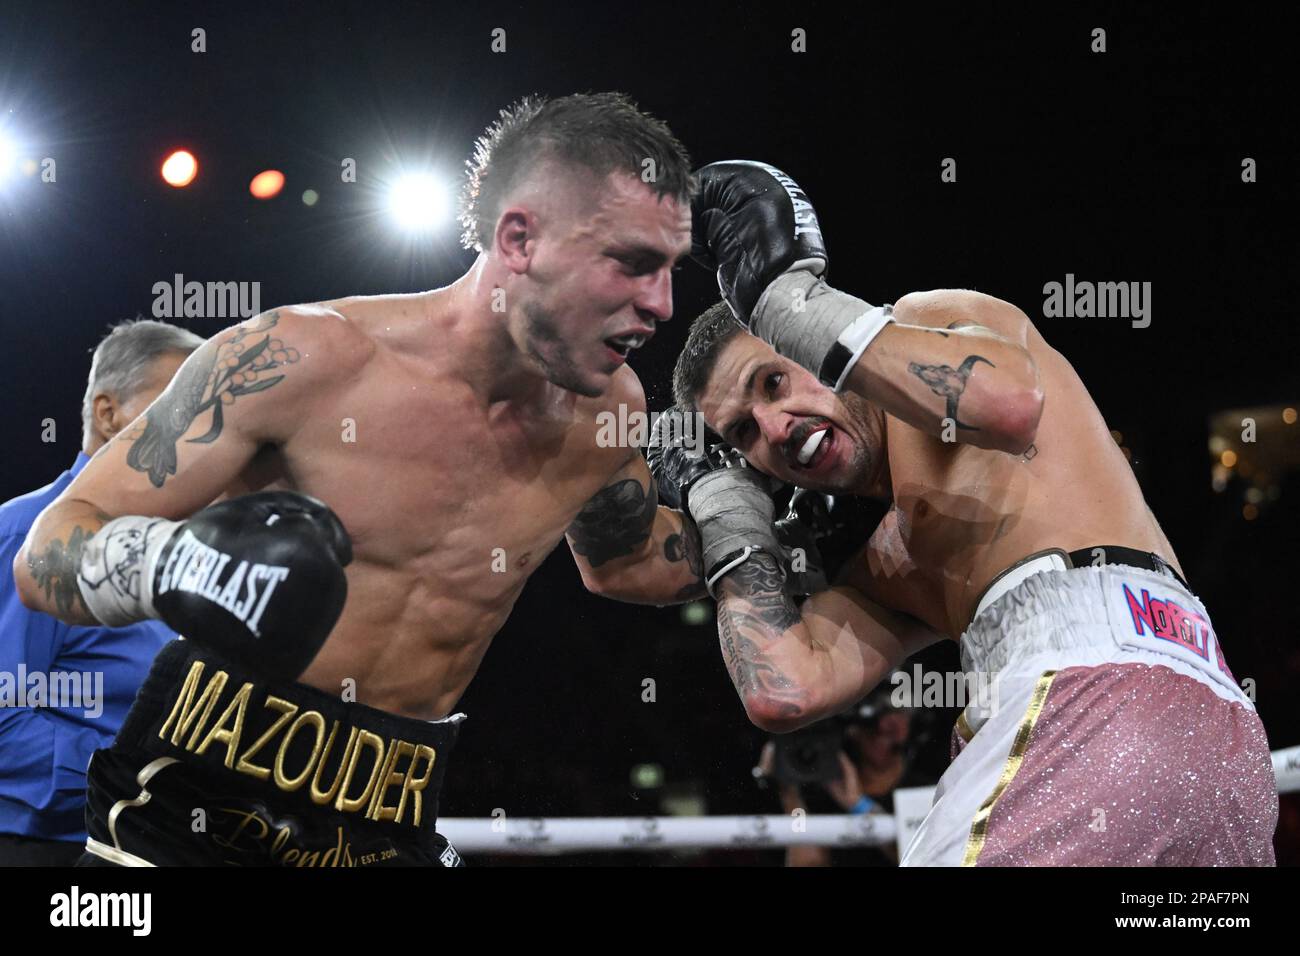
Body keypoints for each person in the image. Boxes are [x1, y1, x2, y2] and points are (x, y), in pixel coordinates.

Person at [13, 92, 715, 867]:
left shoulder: (604, 411)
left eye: (670, 270)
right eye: (634, 264)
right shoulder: (297, 357)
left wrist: (787, 526)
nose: (661, 304)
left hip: (388, 817)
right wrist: (170, 566)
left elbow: (630, 560)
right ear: (520, 238)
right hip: (186, 807)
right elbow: (50, 549)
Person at [652, 160, 1278, 865]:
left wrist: (782, 297)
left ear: (808, 344)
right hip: (1217, 740)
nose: (774, 427)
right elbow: (787, 690)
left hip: (1092, 702)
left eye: (774, 380)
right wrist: (719, 500)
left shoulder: (933, 318)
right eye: (741, 433)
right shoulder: (899, 561)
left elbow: (1007, 404)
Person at [0, 319, 202, 865]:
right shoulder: (26, 533)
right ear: (107, 413)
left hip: (140, 845)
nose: (203, 432)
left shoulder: (180, 547)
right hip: (41, 849)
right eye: (180, 406)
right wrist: (139, 780)